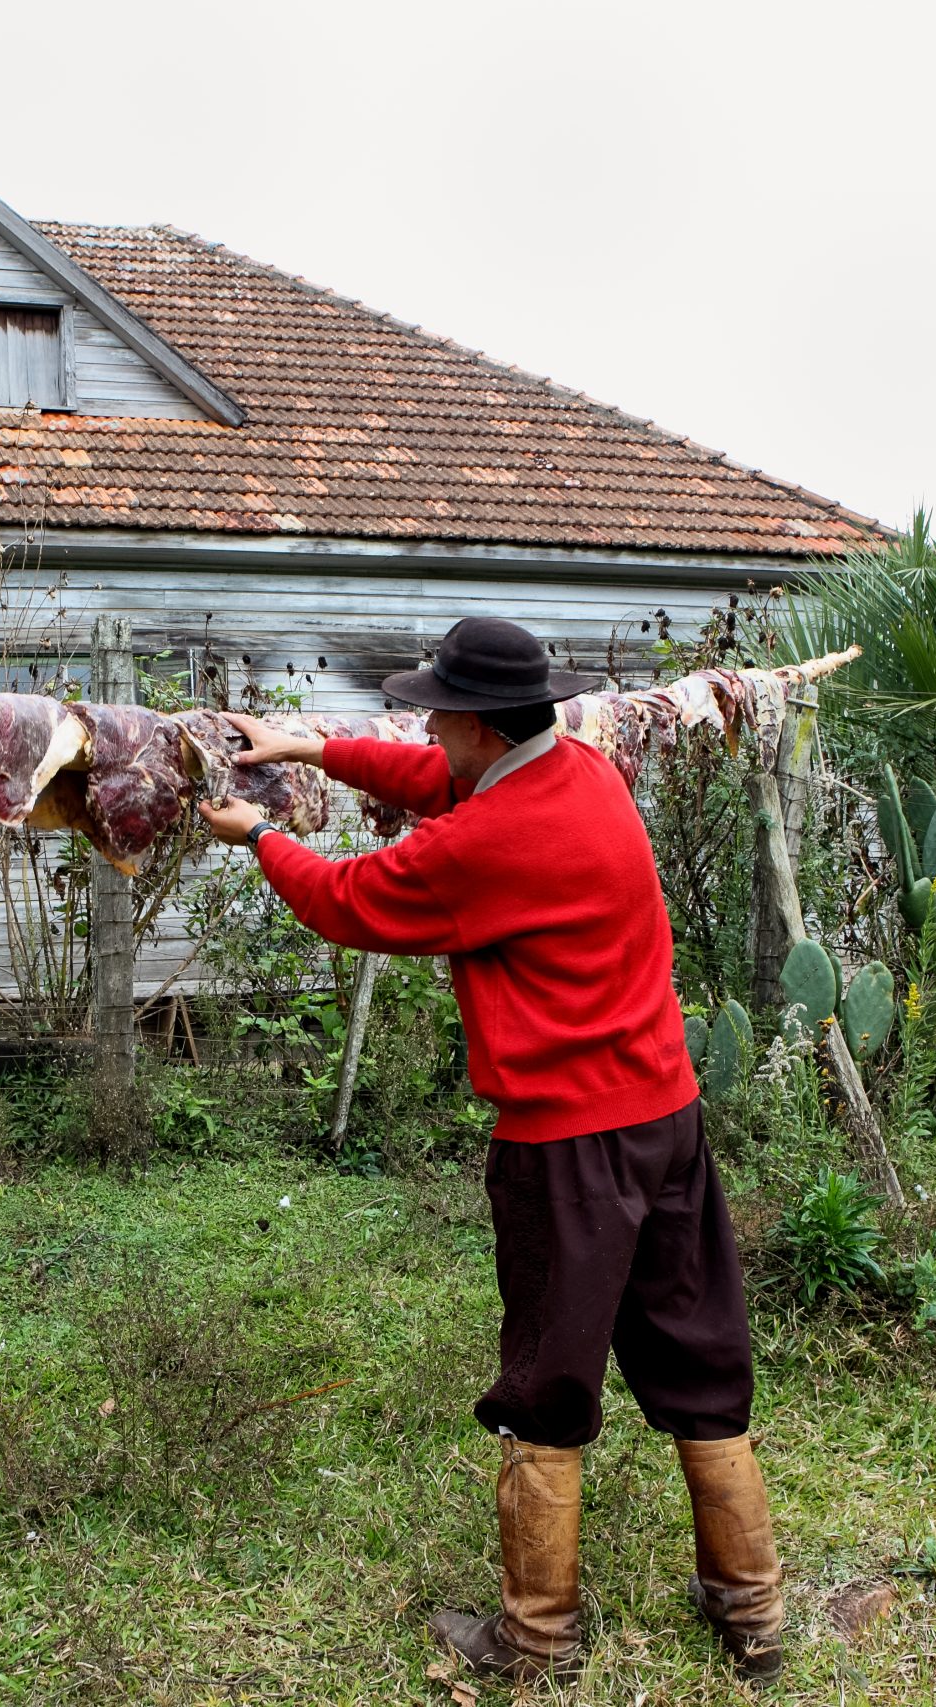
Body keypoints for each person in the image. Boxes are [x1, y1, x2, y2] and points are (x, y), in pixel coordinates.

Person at [195, 617, 784, 1685]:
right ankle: (751, 1607)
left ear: (475, 723)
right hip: (665, 1114)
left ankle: (537, 1638)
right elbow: (437, 779)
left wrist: (259, 836)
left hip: (569, 1144)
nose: (427, 727)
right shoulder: (583, 770)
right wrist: (306, 746)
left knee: (548, 1377)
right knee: (697, 1349)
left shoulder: (486, 844)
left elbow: (346, 901)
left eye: (436, 712)